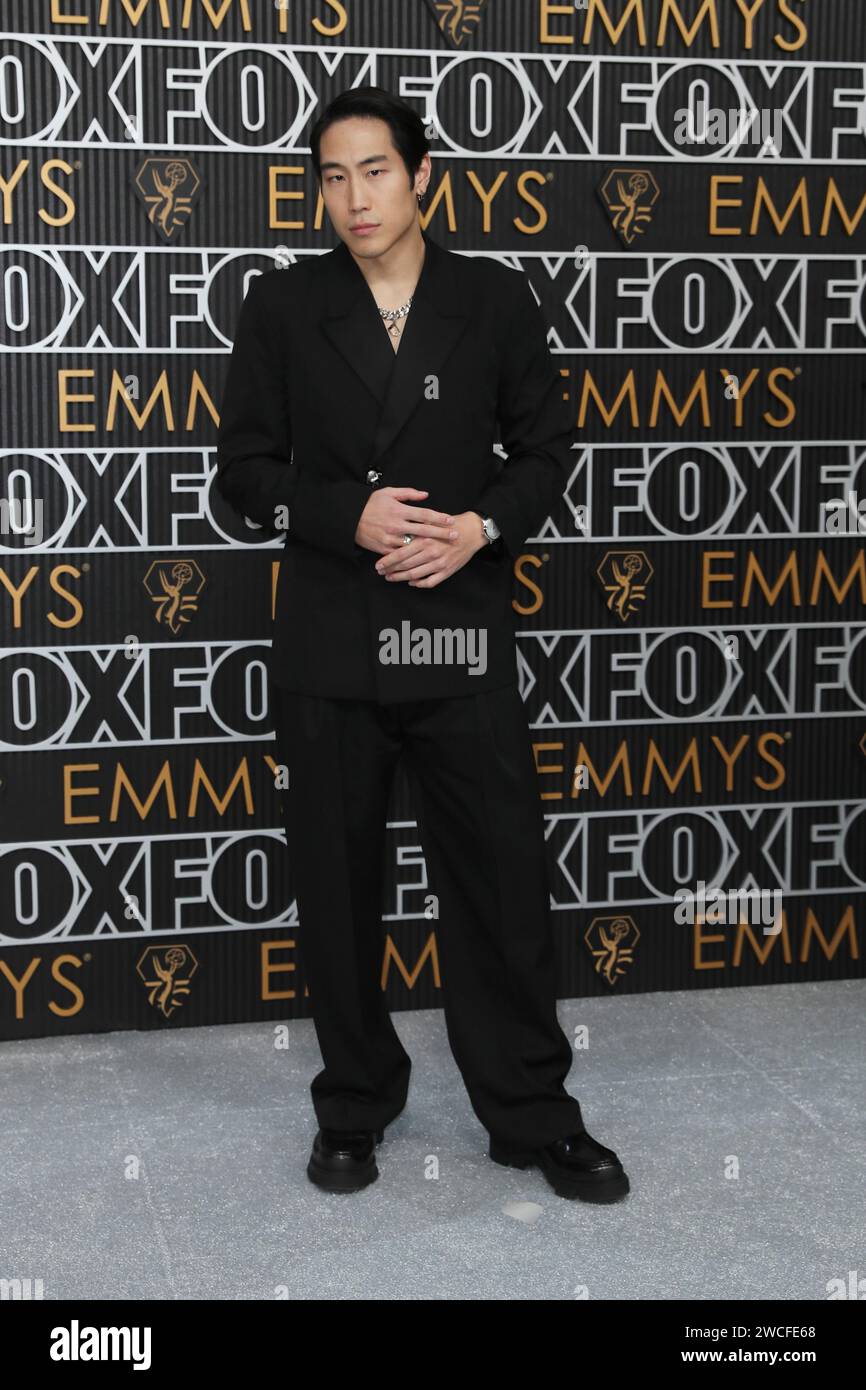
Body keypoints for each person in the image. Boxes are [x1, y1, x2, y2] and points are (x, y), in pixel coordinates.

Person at [215, 86, 629, 1203]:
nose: (353, 197)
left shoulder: (492, 301)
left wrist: (480, 527)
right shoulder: (284, 306)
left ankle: (533, 1113)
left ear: (423, 176)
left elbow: (547, 449)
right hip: (330, 642)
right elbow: (240, 472)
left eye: (375, 171)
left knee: (499, 885)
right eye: (331, 176)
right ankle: (353, 1107)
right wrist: (336, 510)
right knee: (338, 890)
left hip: (457, 634)